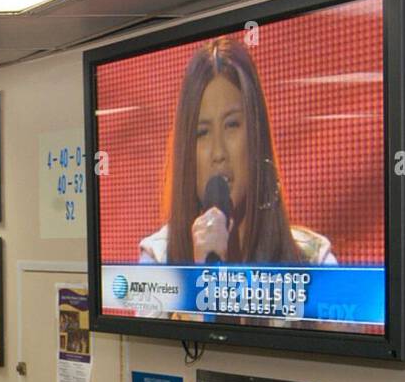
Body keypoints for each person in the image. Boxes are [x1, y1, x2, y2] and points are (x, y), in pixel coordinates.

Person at [139, 36, 337, 267]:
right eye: (202, 133)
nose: (218, 152)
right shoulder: (157, 259)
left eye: (232, 125)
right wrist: (200, 272)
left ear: (255, 135)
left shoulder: (313, 261)